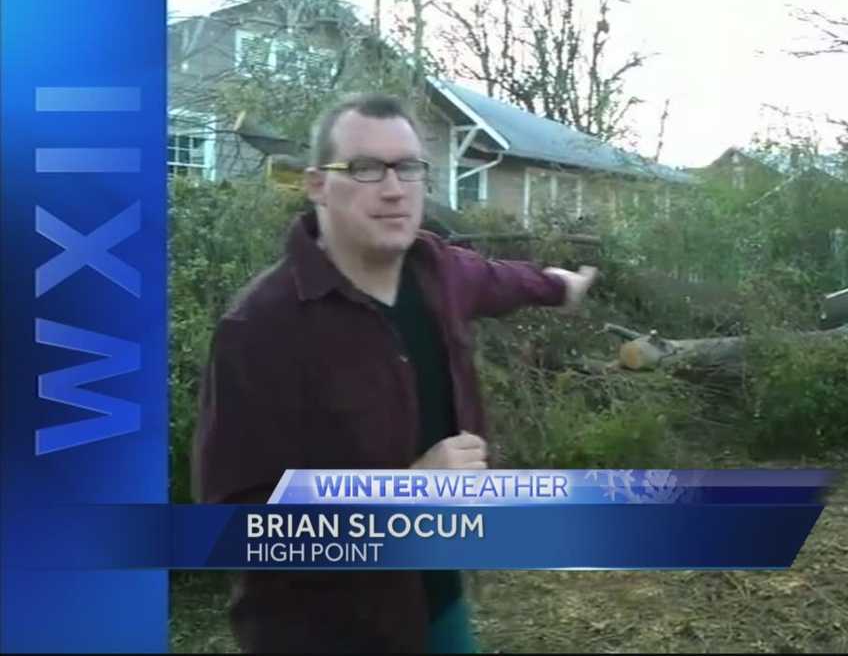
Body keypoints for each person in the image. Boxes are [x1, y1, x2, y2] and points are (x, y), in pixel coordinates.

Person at [192, 92, 597, 653]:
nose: (392, 188)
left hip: (437, 603)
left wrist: (559, 285)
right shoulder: (260, 327)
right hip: (327, 632)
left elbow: (500, 279)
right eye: (364, 168)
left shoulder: (438, 271)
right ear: (315, 185)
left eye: (407, 167)